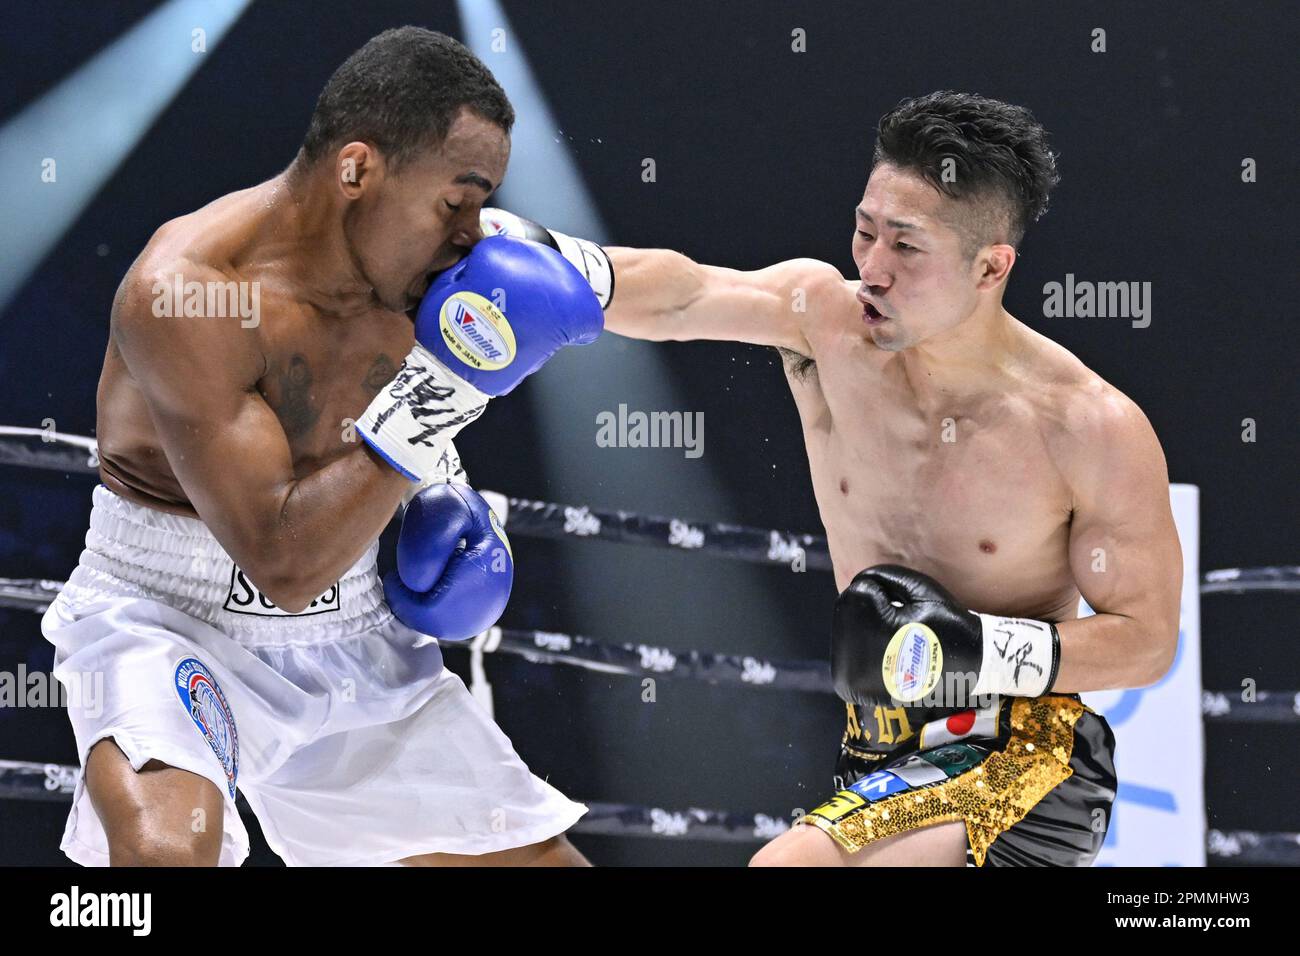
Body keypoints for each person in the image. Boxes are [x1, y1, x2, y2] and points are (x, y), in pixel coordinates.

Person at [534, 90, 1182, 865]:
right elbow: (683, 293)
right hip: (877, 752)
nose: (870, 267)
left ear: (990, 266)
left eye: (906, 247)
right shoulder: (823, 322)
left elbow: (1147, 641)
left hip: (1026, 759)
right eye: (866, 230)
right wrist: (523, 254)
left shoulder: (1086, 426)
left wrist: (979, 649)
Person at [41, 27, 609, 867]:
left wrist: (809, 303)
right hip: (169, 615)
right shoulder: (190, 292)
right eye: (457, 199)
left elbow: (669, 292)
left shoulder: (441, 265)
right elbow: (284, 564)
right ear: (356, 169)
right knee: (166, 855)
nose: (472, 233)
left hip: (354, 626)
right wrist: (444, 390)